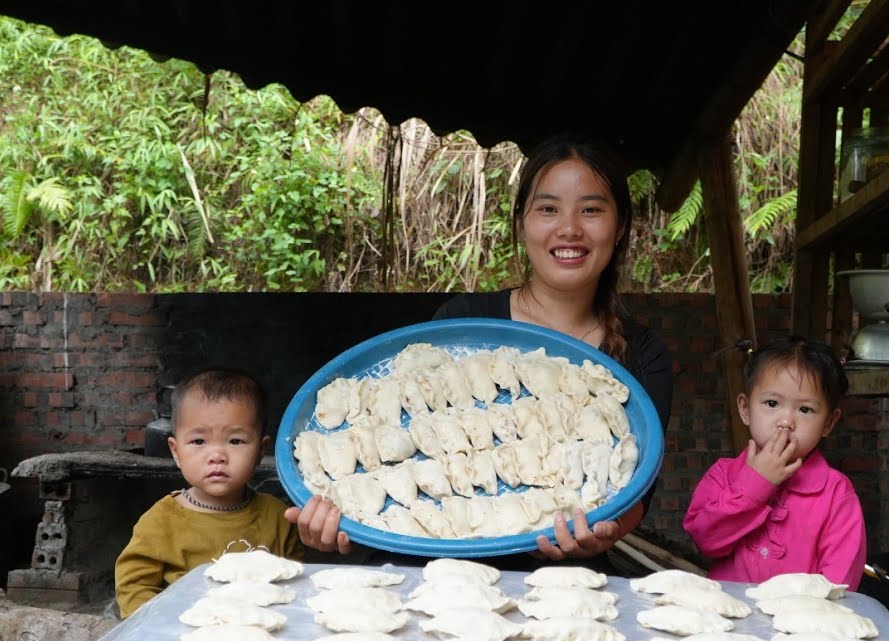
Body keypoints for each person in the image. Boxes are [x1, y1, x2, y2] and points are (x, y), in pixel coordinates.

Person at [288, 133, 672, 569]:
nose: (569, 228)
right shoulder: (464, 323)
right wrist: (346, 525)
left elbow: (639, 490)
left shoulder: (642, 354)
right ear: (521, 222)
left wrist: (604, 533)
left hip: (564, 580)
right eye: (548, 209)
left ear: (620, 226)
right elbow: (419, 445)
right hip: (447, 572)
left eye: (591, 210)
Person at [682, 335, 867, 589]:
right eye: (772, 403)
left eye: (805, 410)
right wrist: (755, 485)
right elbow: (705, 541)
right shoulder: (723, 475)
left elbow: (839, 583)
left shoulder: (836, 494)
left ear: (828, 423)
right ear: (745, 409)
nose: (786, 421)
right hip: (727, 623)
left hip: (799, 623)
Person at [115, 368, 301, 618]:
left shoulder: (279, 517)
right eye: (199, 442)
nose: (217, 456)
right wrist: (160, 626)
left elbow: (299, 580)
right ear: (176, 451)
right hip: (187, 640)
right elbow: (133, 587)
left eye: (235, 441)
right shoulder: (161, 522)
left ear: (260, 450)